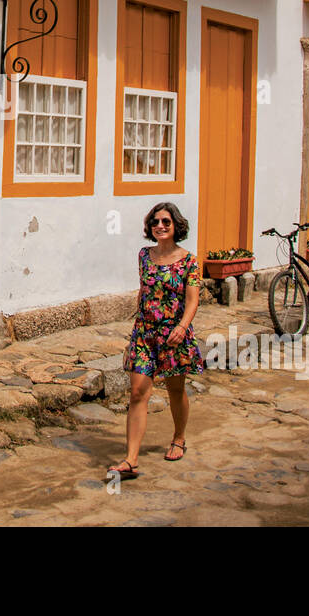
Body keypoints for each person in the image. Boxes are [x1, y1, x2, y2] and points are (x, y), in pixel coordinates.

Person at [108, 202, 205, 480]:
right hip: (145, 333)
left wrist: (182, 328)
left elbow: (192, 299)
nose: (159, 226)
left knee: (176, 390)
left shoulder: (189, 260)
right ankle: (131, 460)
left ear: (176, 226)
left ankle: (179, 437)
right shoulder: (144, 256)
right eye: (155, 222)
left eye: (165, 222)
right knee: (138, 393)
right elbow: (143, 291)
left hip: (174, 335)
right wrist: (134, 330)